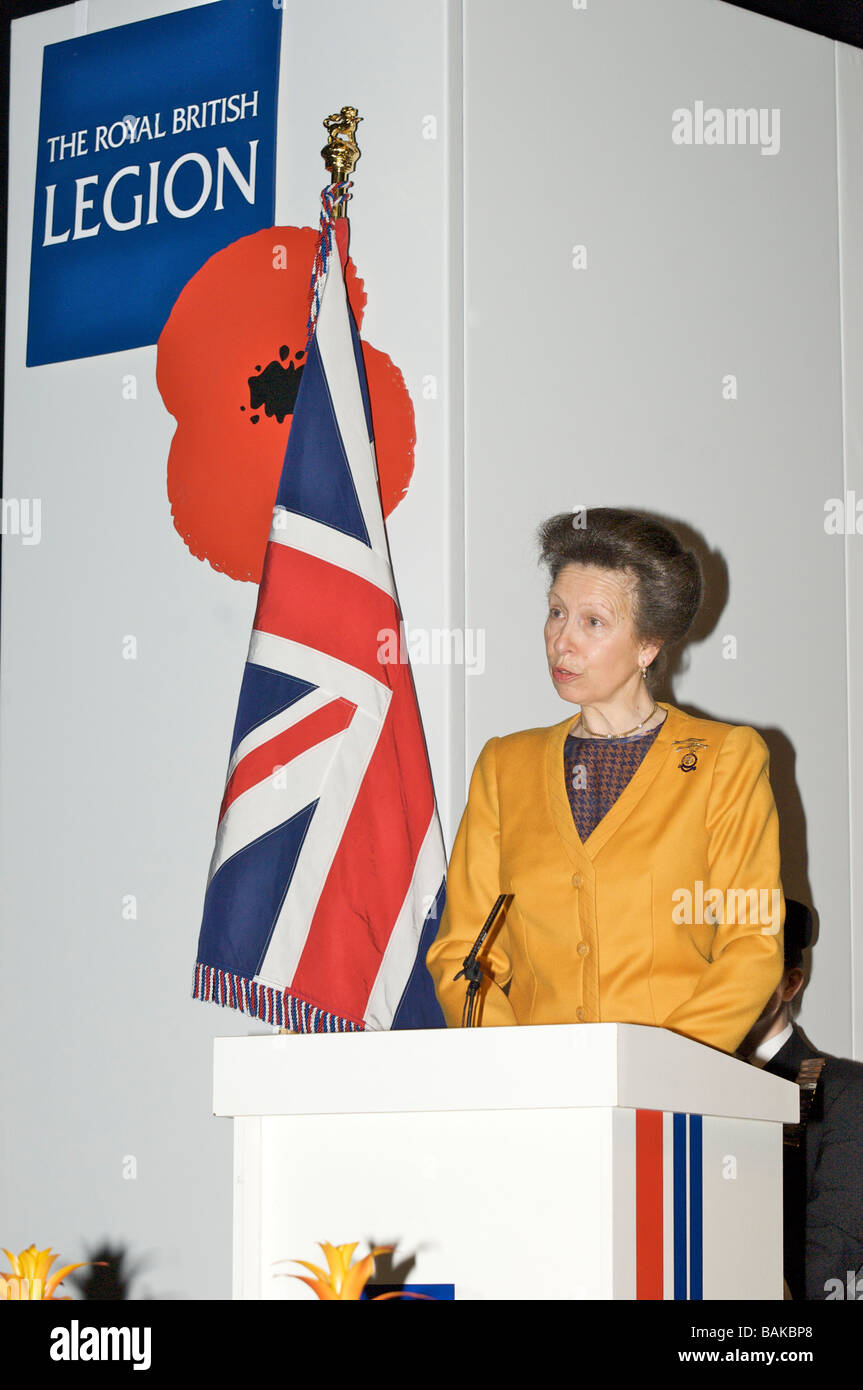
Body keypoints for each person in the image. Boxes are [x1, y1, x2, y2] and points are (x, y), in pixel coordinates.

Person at [426, 507, 785, 1054]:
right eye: (556, 613)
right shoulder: (505, 765)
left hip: (672, 1105)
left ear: (648, 645)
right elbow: (461, 954)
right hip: (535, 1099)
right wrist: (520, 1071)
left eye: (592, 622)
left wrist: (660, 1069)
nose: (562, 641)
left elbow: (752, 946)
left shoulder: (724, 761)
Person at [737, 899, 863, 1300]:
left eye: (755, 970)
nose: (734, 986)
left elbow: (834, 1256)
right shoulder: (684, 1081)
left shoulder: (843, 1091)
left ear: (792, 983)